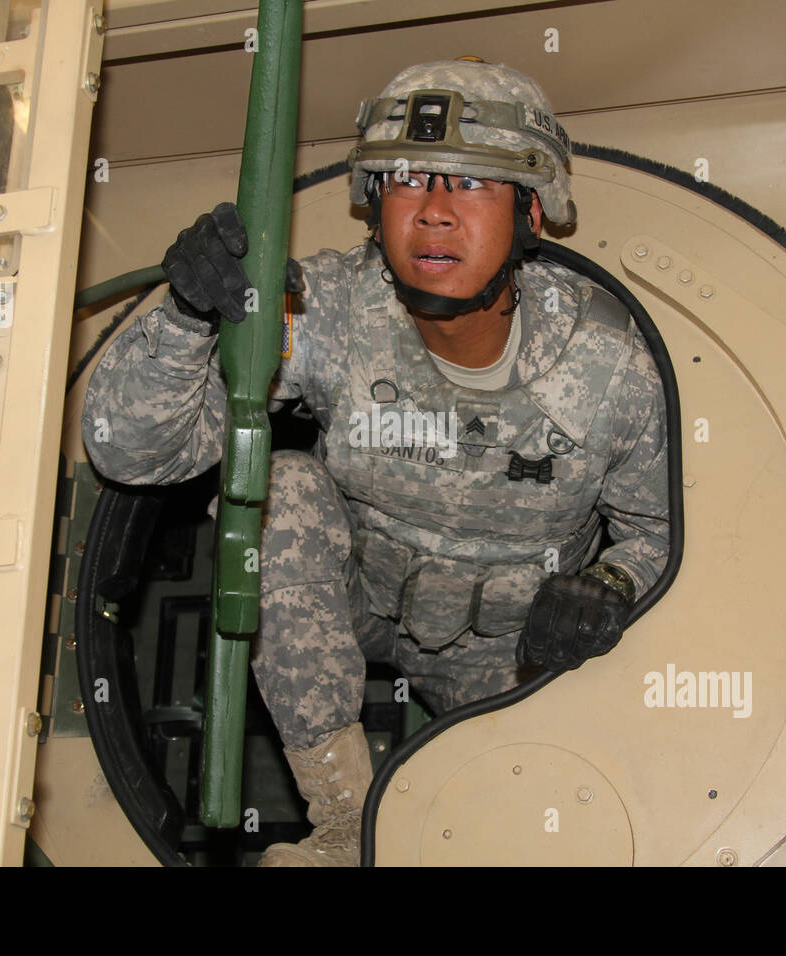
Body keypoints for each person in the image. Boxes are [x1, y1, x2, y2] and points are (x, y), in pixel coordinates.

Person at [81, 58, 669, 866]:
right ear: (373, 204)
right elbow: (133, 453)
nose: (431, 214)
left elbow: (657, 533)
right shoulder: (327, 312)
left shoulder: (611, 371)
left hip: (512, 647)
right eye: (406, 180)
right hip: (350, 599)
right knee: (278, 488)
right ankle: (345, 825)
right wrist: (185, 320)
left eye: (468, 184)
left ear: (532, 209)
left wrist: (612, 585)